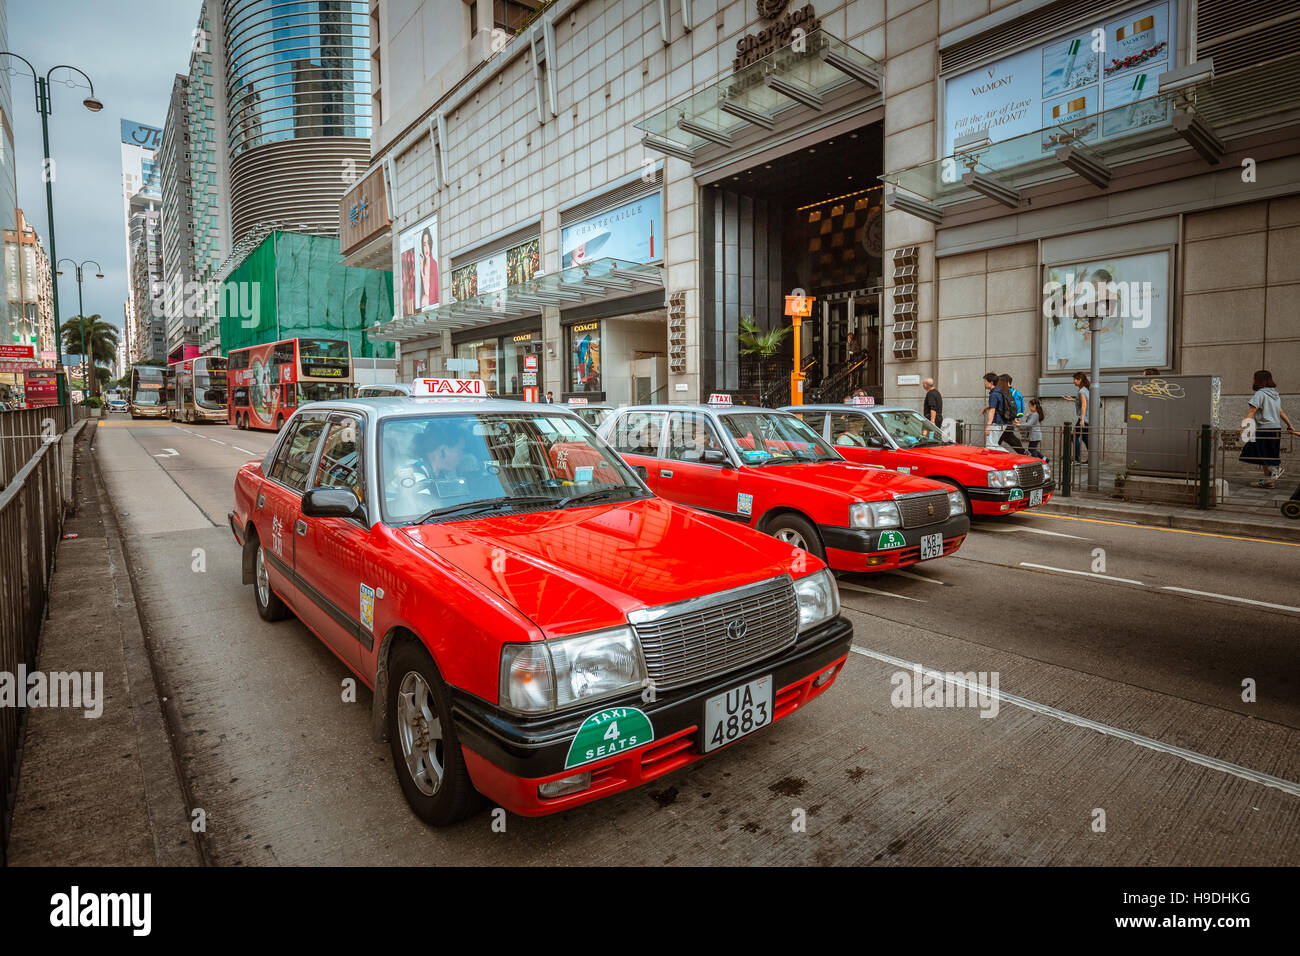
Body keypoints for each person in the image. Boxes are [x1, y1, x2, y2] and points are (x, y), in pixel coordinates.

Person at [1241, 369, 1298, 488]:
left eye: (1253, 378)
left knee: (1254, 450)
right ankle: (1268, 482)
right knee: (1268, 454)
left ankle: (1275, 470)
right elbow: (1281, 412)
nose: (1252, 381)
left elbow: (1252, 410)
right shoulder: (1275, 395)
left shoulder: (1260, 394)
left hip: (1264, 429)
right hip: (1275, 429)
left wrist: (1243, 427)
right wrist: (1289, 425)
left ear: (1258, 380)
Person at [1062, 371, 1091, 463]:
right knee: (1085, 438)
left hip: (1084, 419)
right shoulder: (1086, 389)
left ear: (1080, 380)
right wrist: (1072, 399)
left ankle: (1077, 459)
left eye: (1075, 379)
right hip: (1088, 418)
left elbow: (1084, 405)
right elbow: (1083, 402)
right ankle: (1092, 458)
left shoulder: (1082, 391)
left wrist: (1082, 419)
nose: (1074, 381)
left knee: (1073, 436)